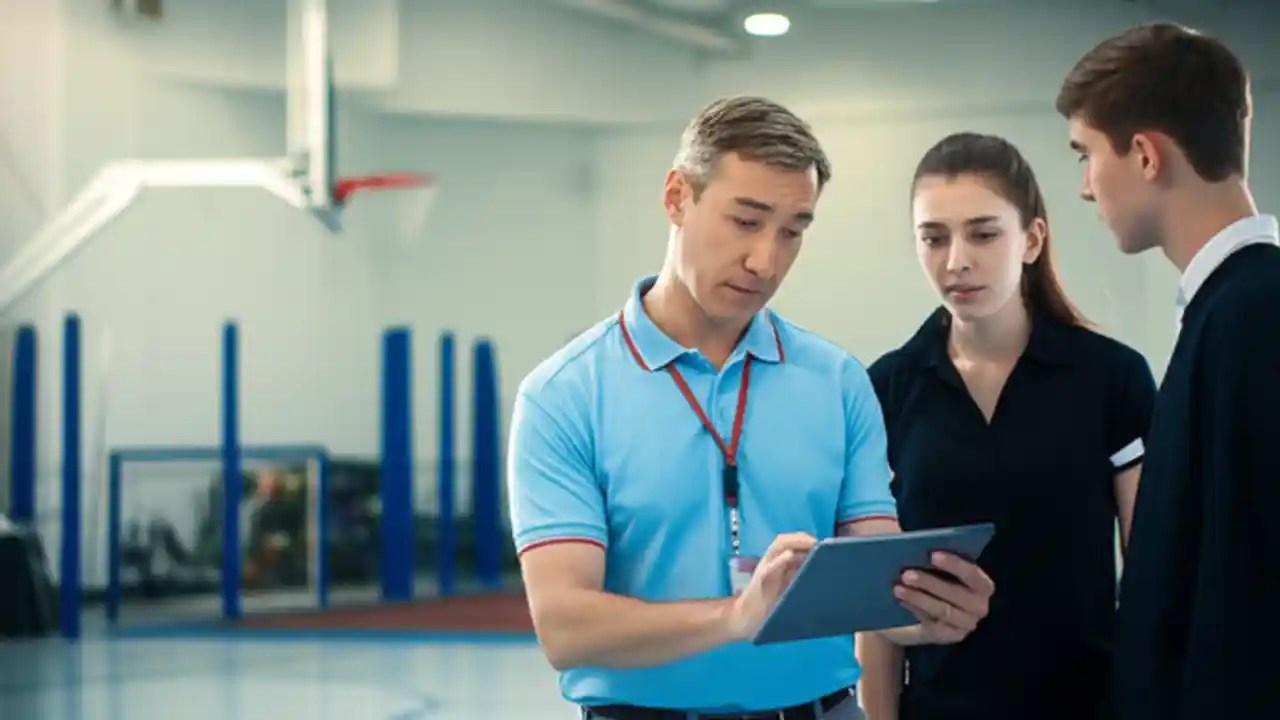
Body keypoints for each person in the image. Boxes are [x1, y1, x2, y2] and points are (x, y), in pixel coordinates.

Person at [506, 96, 996, 720]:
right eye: (746, 220)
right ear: (677, 197)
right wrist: (733, 618)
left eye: (793, 230)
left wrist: (926, 611)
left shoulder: (838, 382)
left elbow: (873, 581)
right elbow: (566, 627)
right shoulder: (563, 396)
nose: (766, 260)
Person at [855, 132, 1157, 720]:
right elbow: (880, 603)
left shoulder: (1112, 377)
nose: (956, 260)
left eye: (984, 233)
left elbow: (1150, 581)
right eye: (933, 237)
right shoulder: (887, 387)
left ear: (1032, 239)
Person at [1056, 21, 1280, 720]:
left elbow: (1246, 592)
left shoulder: (1253, 316)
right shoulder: (1231, 310)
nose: (1086, 188)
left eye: (1086, 154)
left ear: (1146, 155)